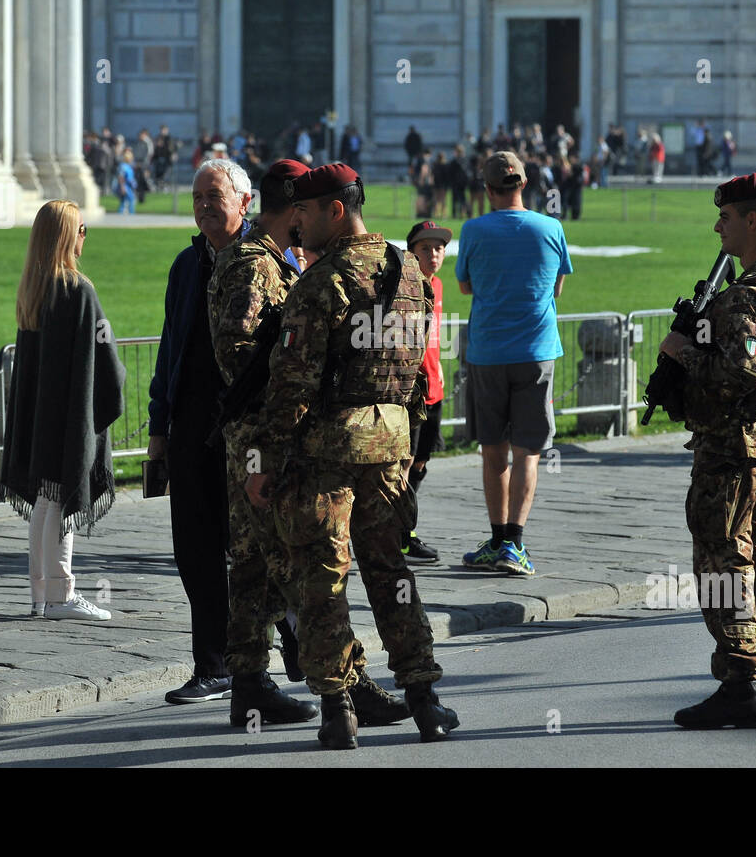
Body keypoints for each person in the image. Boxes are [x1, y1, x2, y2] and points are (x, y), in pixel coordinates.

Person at [243, 163, 458, 748]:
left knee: (323, 578)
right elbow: (417, 375)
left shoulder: (322, 283)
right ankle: (425, 699)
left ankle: (338, 710)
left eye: (305, 212)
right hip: (388, 445)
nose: (296, 224)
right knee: (391, 574)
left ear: (336, 209)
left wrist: (262, 461)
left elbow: (291, 388)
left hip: (327, 452)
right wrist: (406, 440)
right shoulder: (408, 271)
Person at [208, 158, 407, 727]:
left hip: (265, 432)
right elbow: (240, 354)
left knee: (259, 569)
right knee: (302, 568)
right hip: (261, 437)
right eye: (300, 210)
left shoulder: (269, 260)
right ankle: (347, 685)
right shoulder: (256, 266)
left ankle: (252, 683)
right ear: (291, 210)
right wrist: (298, 385)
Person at [657, 172, 756, 729]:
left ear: (752, 220)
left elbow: (740, 372)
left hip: (734, 444)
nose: (717, 224)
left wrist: (683, 354)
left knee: (721, 556)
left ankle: (740, 680)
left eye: (726, 216)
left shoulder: (748, 294)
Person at [148, 158, 252, 704]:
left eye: (215, 196)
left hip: (247, 432)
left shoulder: (267, 263)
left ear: (244, 202)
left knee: (256, 548)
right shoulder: (186, 265)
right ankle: (212, 666)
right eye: (198, 197)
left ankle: (285, 640)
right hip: (191, 429)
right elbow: (170, 351)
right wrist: (158, 427)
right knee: (195, 550)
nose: (205, 205)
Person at [0, 201, 126, 620]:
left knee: (44, 502)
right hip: (68, 415)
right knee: (61, 498)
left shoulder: (33, 290)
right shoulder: (77, 289)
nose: (86, 236)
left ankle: (41, 594)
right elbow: (103, 361)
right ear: (67, 236)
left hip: (40, 416)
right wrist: (115, 385)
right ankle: (61, 595)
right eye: (82, 229)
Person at [455, 152, 573, 577]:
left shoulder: (474, 229)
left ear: (487, 190)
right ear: (525, 184)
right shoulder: (551, 227)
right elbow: (557, 287)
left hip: (487, 351)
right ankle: (516, 544)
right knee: (529, 453)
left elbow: (466, 285)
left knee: (493, 451)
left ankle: (498, 537)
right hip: (537, 350)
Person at [399, 220, 451, 566]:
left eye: (438, 248)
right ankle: (402, 535)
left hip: (434, 387)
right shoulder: (406, 286)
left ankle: (402, 530)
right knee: (402, 465)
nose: (433, 254)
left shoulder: (439, 285)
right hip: (412, 392)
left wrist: (439, 366)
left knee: (420, 462)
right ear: (411, 253)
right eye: (424, 248)